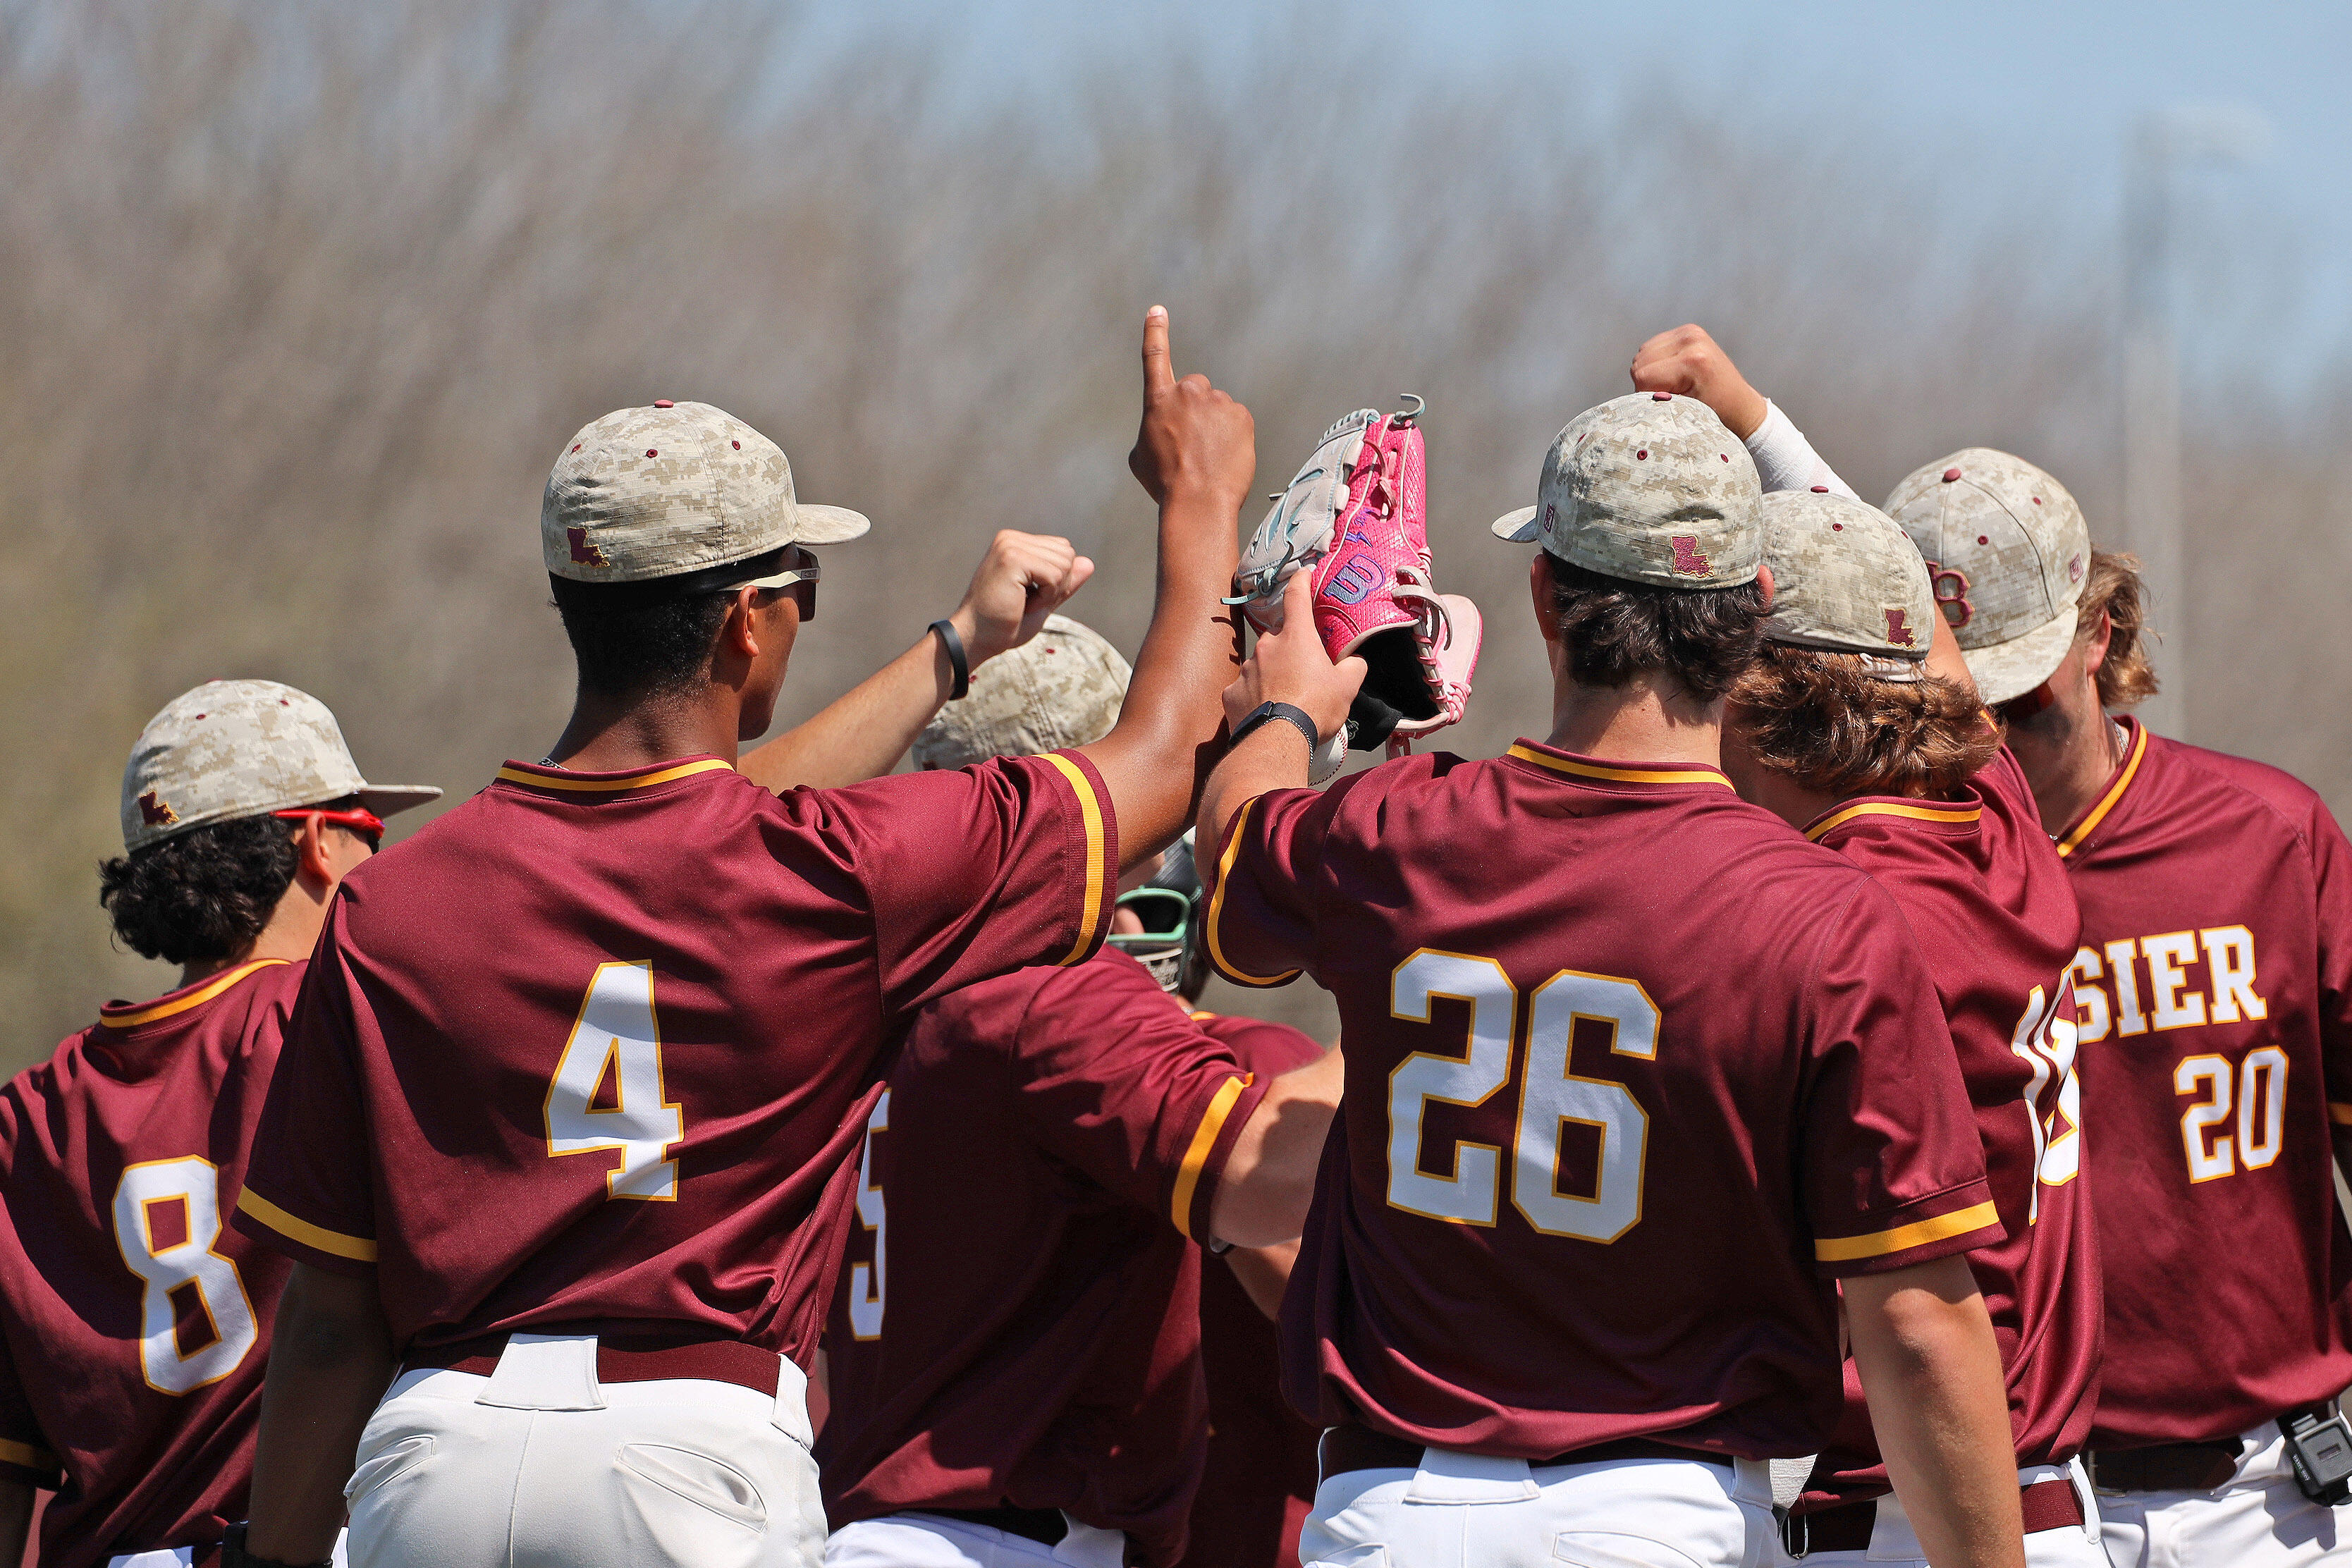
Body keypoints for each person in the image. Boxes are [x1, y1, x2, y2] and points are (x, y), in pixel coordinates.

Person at [228, 309, 1251, 1568]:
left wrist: (273, 1555)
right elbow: (1154, 765)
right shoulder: (836, 868)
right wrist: (1198, 499)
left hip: (438, 1440)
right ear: (746, 626)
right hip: (690, 1447)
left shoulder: (399, 899)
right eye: (796, 591)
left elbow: (329, 1319)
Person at [1192, 389, 2028, 1568]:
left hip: (1391, 1513)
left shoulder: (1394, 832)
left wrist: (1289, 698)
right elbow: (1916, 1324)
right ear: (1753, 612)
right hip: (1658, 1517)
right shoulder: (1822, 915)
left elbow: (1238, 878)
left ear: (1545, 595)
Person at [1632, 327, 2105, 1567]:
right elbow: (1891, 600)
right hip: (2032, 1488)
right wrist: (1753, 419)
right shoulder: (1995, 807)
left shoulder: (1833, 908)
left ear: (1750, 699)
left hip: (1911, 1508)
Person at [1880, 439, 2352, 1568]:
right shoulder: (1892, 876)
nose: (1988, 743)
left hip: (2270, 1498)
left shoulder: (2268, 836)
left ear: (2102, 631)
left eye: (2020, 702)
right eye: (1959, 708)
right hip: (2018, 1498)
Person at [818, 615, 1339, 1568]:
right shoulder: (1060, 1002)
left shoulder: (861, 999)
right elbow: (1292, 1241)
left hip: (885, 1520)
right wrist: (1436, 961)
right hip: (1001, 1538)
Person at [0, 680, 437, 1568]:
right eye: (368, 832)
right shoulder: (334, 1020)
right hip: (306, 1546)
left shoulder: (28, 1116)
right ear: (316, 841)